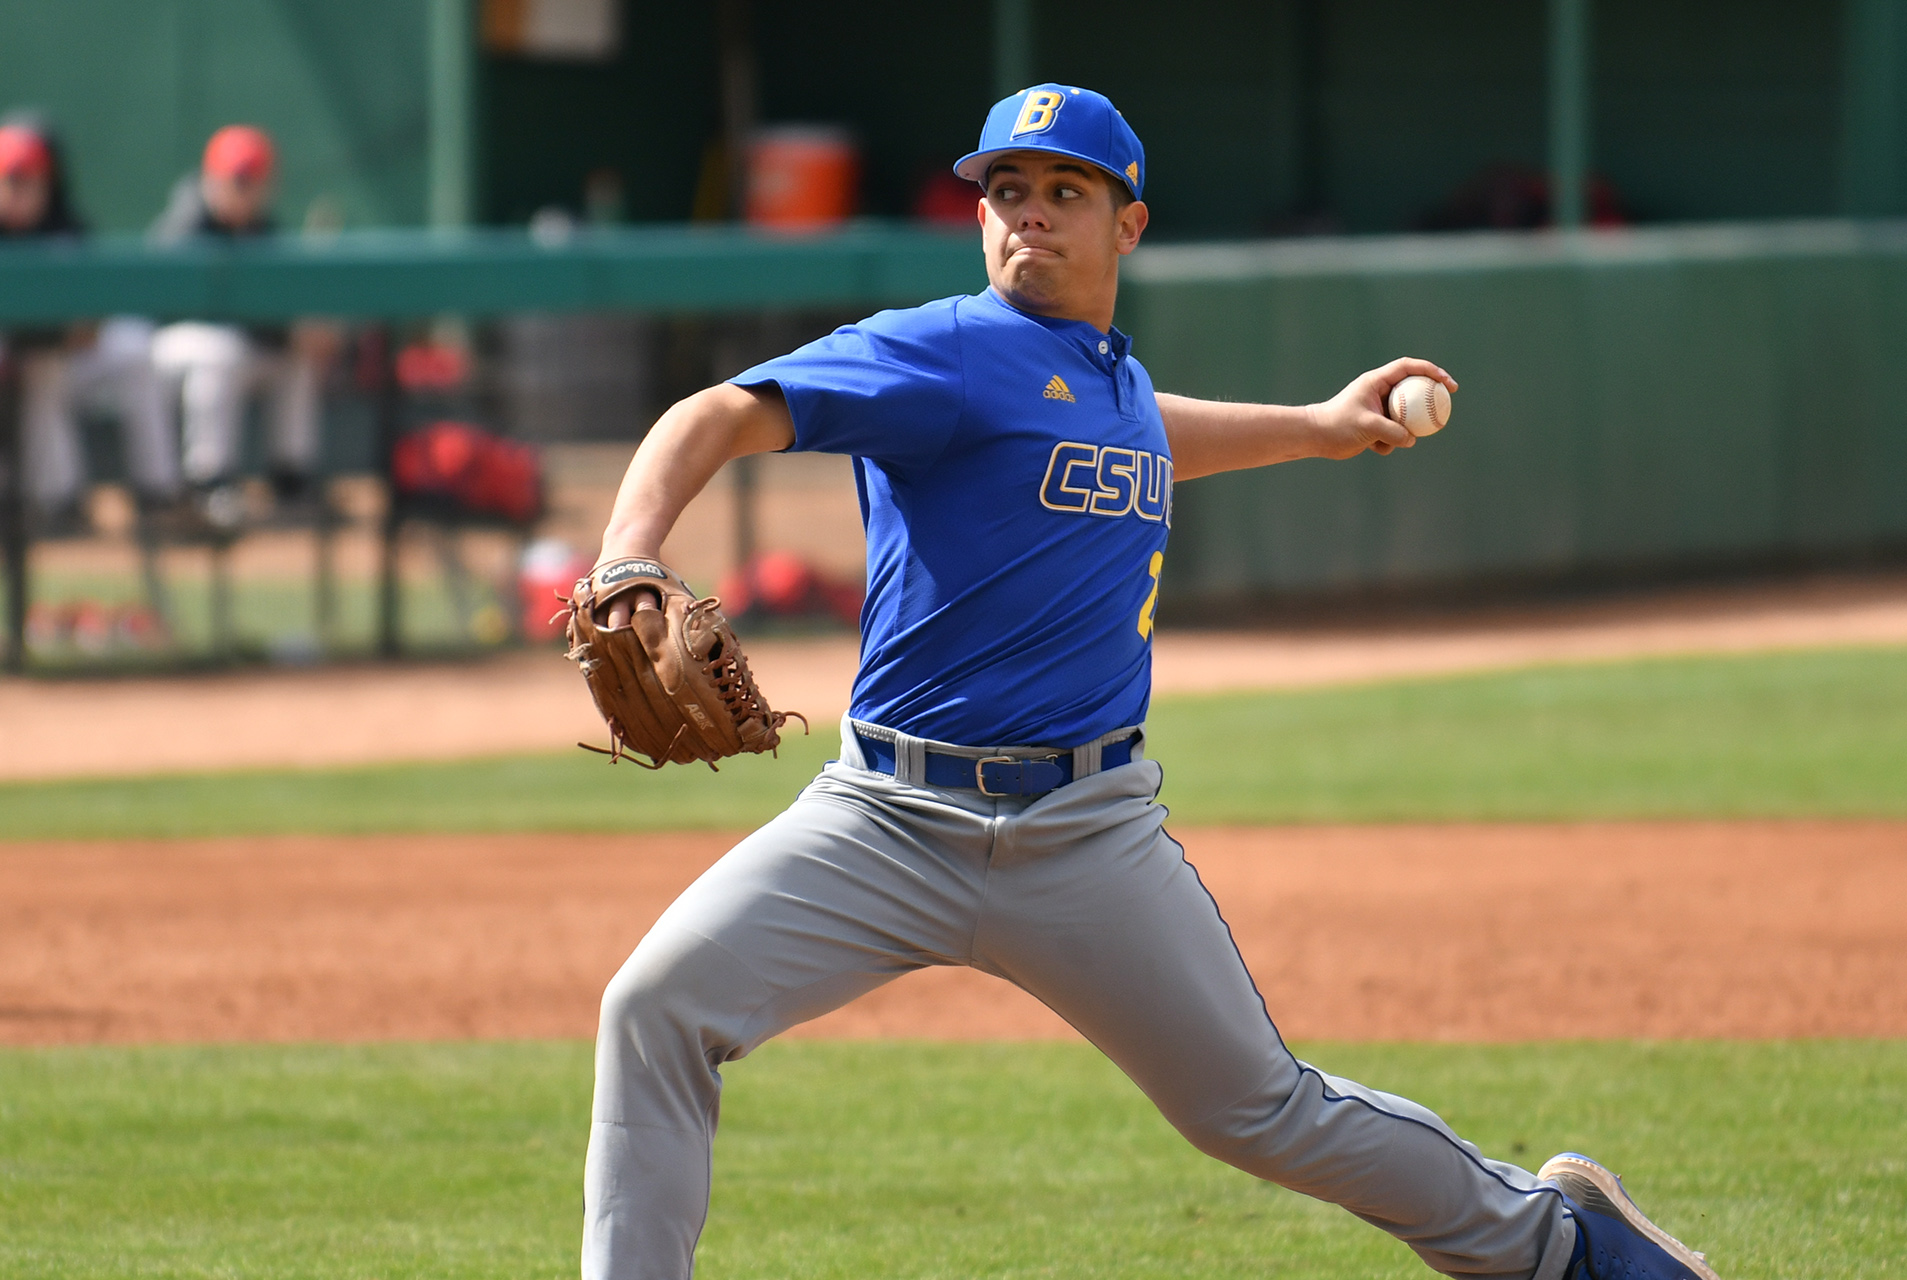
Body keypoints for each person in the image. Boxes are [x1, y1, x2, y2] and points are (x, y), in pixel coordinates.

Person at [580, 85, 1721, 1280]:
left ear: (1127, 225)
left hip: (1086, 833)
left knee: (1259, 1108)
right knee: (653, 1007)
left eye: (1063, 192)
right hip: (884, 819)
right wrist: (629, 554)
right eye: (1005, 191)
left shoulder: (1108, 375)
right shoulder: (940, 349)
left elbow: (1141, 433)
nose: (1027, 216)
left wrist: (1316, 426)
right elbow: (713, 411)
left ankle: (1564, 1246)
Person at [0, 115, 179, 535]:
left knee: (134, 348)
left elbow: (91, 321)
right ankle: (59, 499)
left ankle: (159, 490)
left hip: (66, 360)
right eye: (10, 182)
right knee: (36, 369)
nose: (19, 193)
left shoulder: (69, 229)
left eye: (29, 183)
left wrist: (84, 327)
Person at [150, 124, 335, 523]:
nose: (244, 191)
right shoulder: (185, 226)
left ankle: (292, 477)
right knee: (221, 351)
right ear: (211, 178)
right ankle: (209, 480)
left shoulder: (264, 232)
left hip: (239, 347)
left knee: (294, 362)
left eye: (253, 183)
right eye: (236, 181)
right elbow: (192, 306)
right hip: (169, 345)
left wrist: (300, 331)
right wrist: (280, 328)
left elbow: (271, 312)